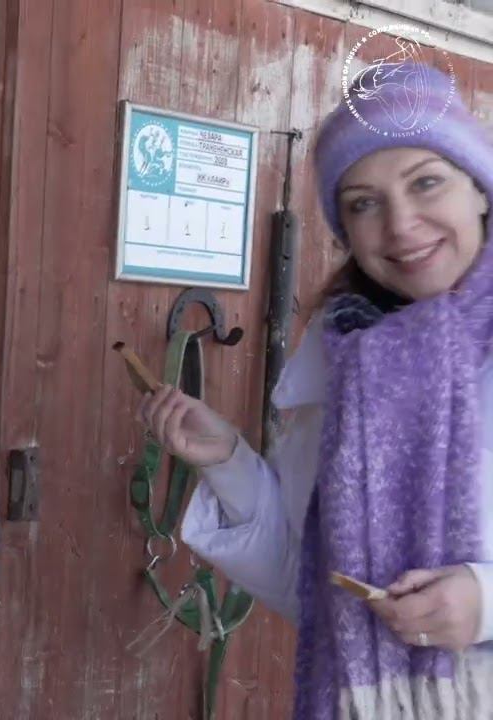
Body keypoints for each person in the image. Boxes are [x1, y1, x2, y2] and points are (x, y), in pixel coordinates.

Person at [139, 63, 493, 718]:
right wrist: (229, 464)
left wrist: (484, 602)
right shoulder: (340, 367)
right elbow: (316, 590)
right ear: (343, 229)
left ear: (480, 188)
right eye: (364, 202)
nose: (402, 223)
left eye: (427, 182)